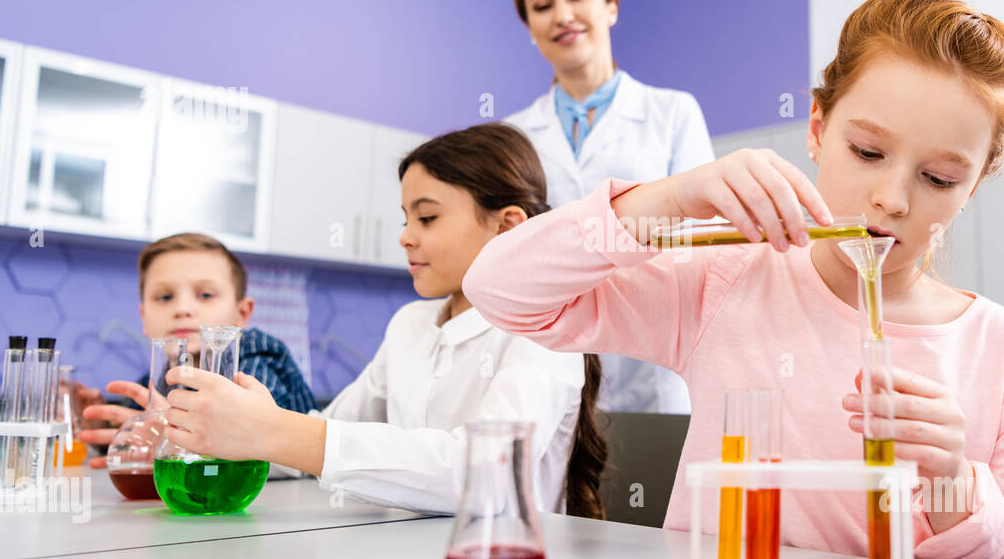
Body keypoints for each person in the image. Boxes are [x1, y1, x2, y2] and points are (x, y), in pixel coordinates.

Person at [465, 0, 1004, 559]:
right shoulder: (728, 279)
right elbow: (499, 287)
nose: (891, 200)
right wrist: (669, 197)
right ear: (817, 127)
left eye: (940, 178)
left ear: (972, 187)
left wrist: (954, 484)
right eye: (868, 151)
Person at [156, 123, 607, 517]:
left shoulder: (546, 329)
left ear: (506, 226)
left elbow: (484, 470)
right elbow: (322, 432)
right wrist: (203, 432)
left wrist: (277, 431)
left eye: (427, 217)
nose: (405, 237)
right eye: (406, 218)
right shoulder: (411, 324)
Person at [505, 0, 715, 416]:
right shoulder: (512, 134)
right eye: (542, 5)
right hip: (545, 369)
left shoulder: (672, 113)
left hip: (655, 364)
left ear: (611, 6)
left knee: (655, 485)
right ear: (530, 27)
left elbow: (702, 241)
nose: (562, 15)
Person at [78, 233, 315, 475]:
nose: (182, 309)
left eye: (205, 295)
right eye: (165, 297)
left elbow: (247, 430)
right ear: (144, 318)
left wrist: (165, 436)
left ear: (241, 314)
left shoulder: (258, 353)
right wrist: (103, 430)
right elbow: (141, 441)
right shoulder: (157, 379)